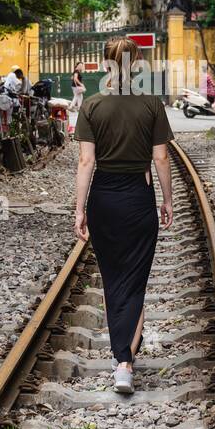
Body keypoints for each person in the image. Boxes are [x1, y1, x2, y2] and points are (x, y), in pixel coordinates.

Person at [74, 37, 174, 394]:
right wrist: (168, 200)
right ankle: (125, 362)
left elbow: (86, 162)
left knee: (113, 279)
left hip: (104, 199)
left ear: (105, 66)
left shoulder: (91, 105)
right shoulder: (151, 104)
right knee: (135, 283)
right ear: (136, 66)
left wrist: (79, 208)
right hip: (138, 199)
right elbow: (161, 158)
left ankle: (122, 360)